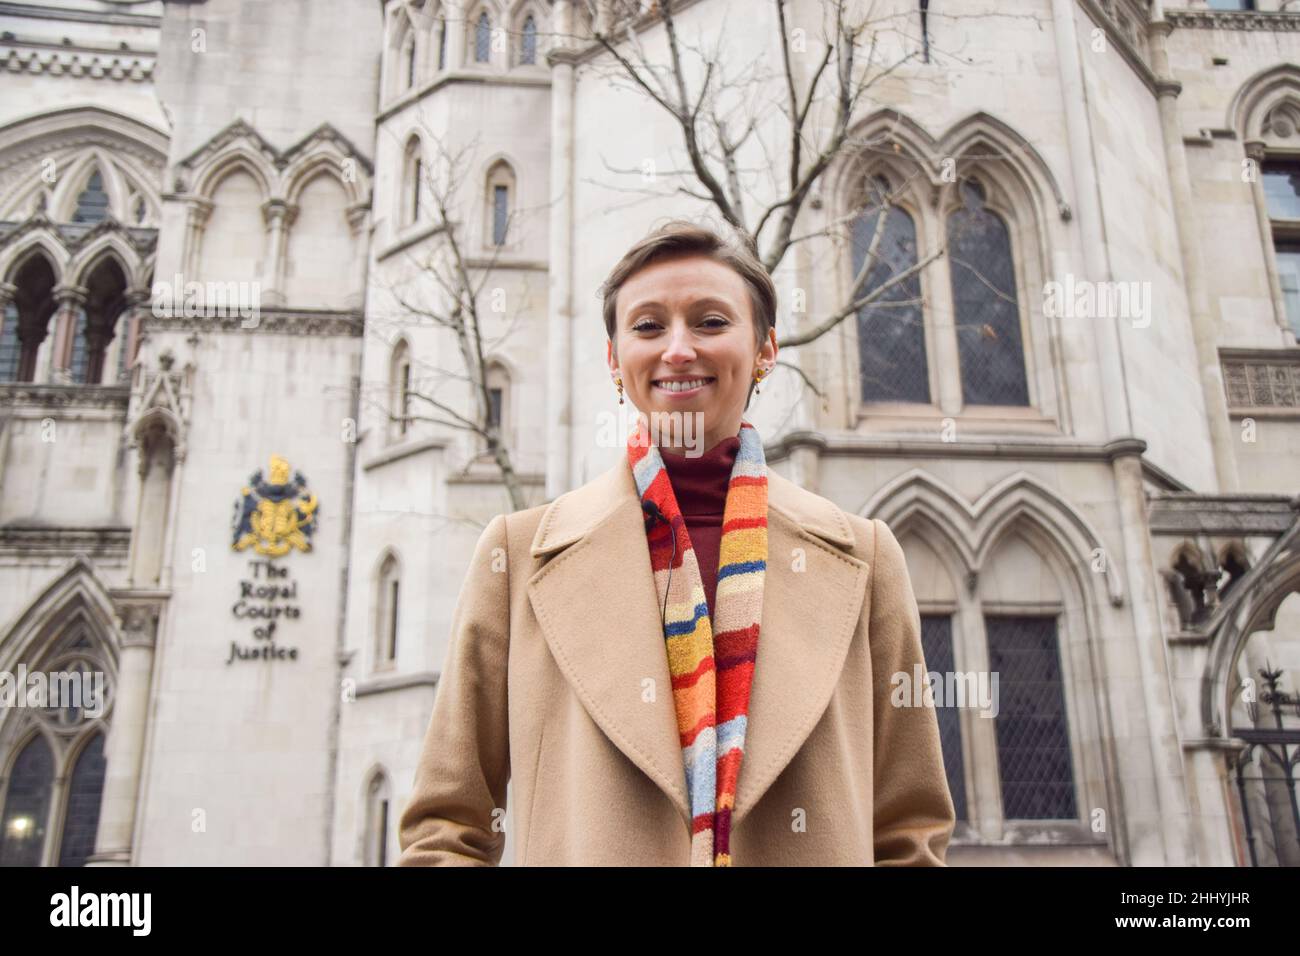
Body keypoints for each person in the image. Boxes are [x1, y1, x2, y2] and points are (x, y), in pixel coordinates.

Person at [397, 219, 955, 866]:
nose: (679, 348)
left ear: (765, 349)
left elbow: (909, 831)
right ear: (615, 360)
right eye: (648, 326)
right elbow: (447, 825)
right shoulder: (516, 558)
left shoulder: (866, 558)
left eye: (711, 322)